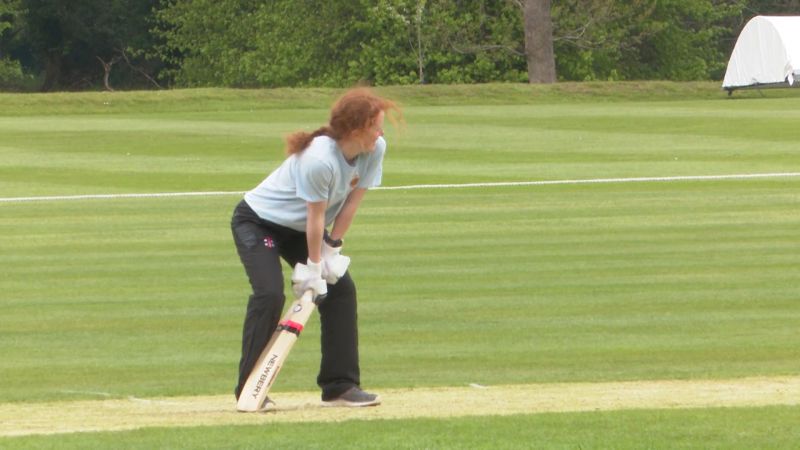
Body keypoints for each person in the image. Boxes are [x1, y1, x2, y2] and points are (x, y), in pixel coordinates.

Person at [230, 87, 399, 408]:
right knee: (269, 293)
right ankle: (249, 388)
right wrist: (312, 268)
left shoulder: (374, 149)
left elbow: (350, 204)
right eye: (375, 126)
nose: (380, 132)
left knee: (341, 290)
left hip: (302, 230)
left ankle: (339, 386)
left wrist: (331, 250)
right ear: (354, 130)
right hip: (259, 222)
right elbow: (315, 217)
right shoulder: (319, 159)